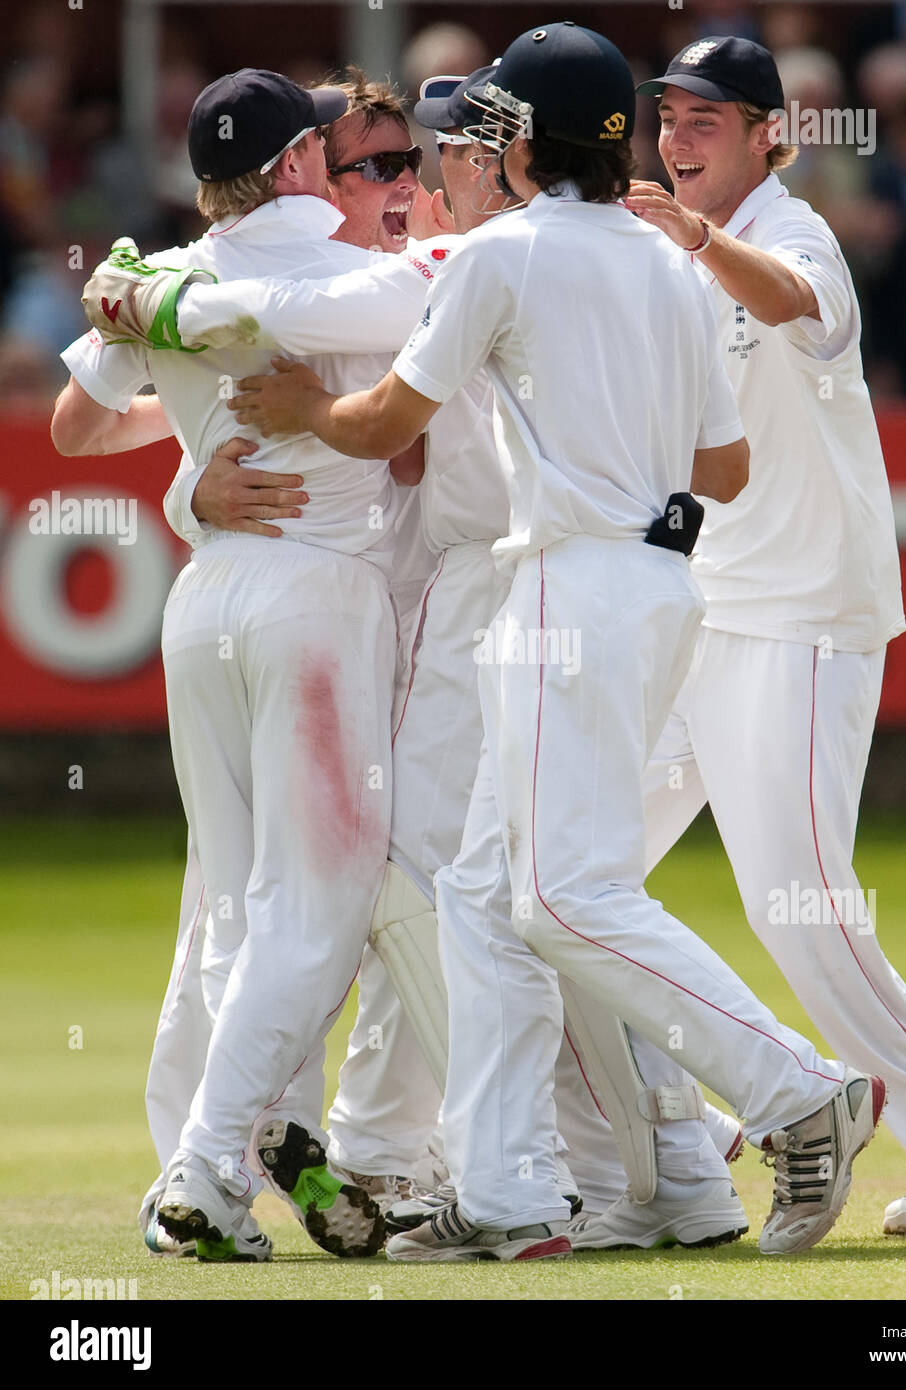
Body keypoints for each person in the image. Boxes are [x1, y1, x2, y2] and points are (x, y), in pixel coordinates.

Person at [225, 21, 885, 1263]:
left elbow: (379, 426)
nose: (472, 146)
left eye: (487, 126)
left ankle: (800, 1087)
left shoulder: (503, 256)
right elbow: (727, 468)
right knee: (483, 896)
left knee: (562, 896)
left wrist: (307, 403)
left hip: (563, 590)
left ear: (524, 141)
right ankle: (564, 1188)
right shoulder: (658, 257)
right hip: (655, 587)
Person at [599, 34, 906, 1238]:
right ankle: (728, 1126)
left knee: (797, 900)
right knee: (572, 881)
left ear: (768, 137)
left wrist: (691, 240)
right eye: (666, 121)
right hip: (696, 608)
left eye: (705, 122)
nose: (676, 141)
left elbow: (798, 310)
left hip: (803, 616)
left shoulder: (795, 237)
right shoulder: (664, 258)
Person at [54, 67, 418, 1261]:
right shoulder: (354, 274)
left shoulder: (176, 269)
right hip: (316, 593)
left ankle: (250, 1150)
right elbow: (414, 314)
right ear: (303, 163)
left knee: (232, 902)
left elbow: (74, 427)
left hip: (205, 601)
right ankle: (208, 1178)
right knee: (315, 906)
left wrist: (189, 420)